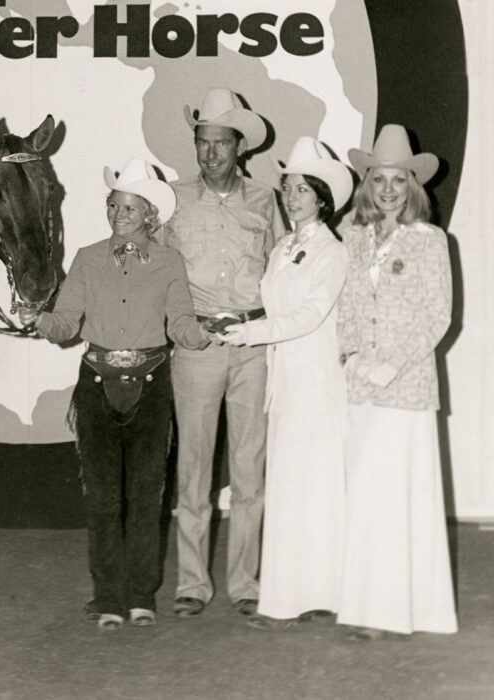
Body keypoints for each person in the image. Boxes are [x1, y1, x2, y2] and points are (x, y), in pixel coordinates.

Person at [19, 158, 208, 631]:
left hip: (151, 387)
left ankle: (141, 596)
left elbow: (181, 320)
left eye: (128, 207)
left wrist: (199, 333)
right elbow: (65, 325)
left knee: (146, 496)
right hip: (97, 386)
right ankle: (107, 598)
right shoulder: (86, 258)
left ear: (150, 214)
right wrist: (38, 319)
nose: (118, 214)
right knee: (103, 499)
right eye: (113, 205)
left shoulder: (169, 262)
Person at [155, 87, 286, 618]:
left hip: (253, 347)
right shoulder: (174, 200)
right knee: (192, 470)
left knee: (249, 469)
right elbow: (156, 274)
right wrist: (177, 328)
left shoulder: (264, 201)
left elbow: (284, 272)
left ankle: (246, 584)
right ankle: (191, 584)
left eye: (221, 144)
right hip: (199, 347)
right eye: (202, 143)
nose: (210, 154)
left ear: (240, 147)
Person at [217, 137, 353, 628]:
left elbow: (310, 316)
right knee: (292, 491)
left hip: (317, 388)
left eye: (302, 189)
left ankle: (324, 594)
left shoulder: (330, 252)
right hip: (286, 386)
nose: (292, 197)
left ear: (322, 198)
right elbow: (272, 304)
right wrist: (238, 316)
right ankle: (291, 595)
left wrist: (251, 332)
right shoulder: (282, 248)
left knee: (316, 493)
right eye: (288, 188)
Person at [335, 124, 458, 640]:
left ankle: (399, 611)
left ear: (414, 186)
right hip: (362, 385)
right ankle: (367, 605)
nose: (388, 188)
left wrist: (394, 365)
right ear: (367, 184)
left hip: (405, 390)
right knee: (364, 494)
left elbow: (439, 315)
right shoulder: (352, 237)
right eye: (379, 178)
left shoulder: (430, 241)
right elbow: (344, 306)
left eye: (399, 179)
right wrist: (351, 357)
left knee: (398, 496)